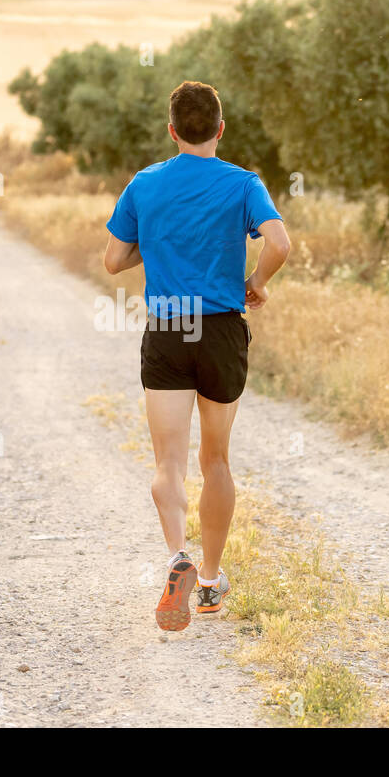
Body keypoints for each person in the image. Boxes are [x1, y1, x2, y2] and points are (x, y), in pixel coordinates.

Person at [103, 80, 291, 631]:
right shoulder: (243, 183)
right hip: (220, 330)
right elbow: (279, 243)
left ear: (172, 131)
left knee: (168, 464)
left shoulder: (145, 183)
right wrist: (256, 280)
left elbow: (113, 261)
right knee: (216, 461)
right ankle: (208, 582)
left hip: (169, 325)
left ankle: (177, 556)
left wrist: (160, 240)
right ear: (220, 128)